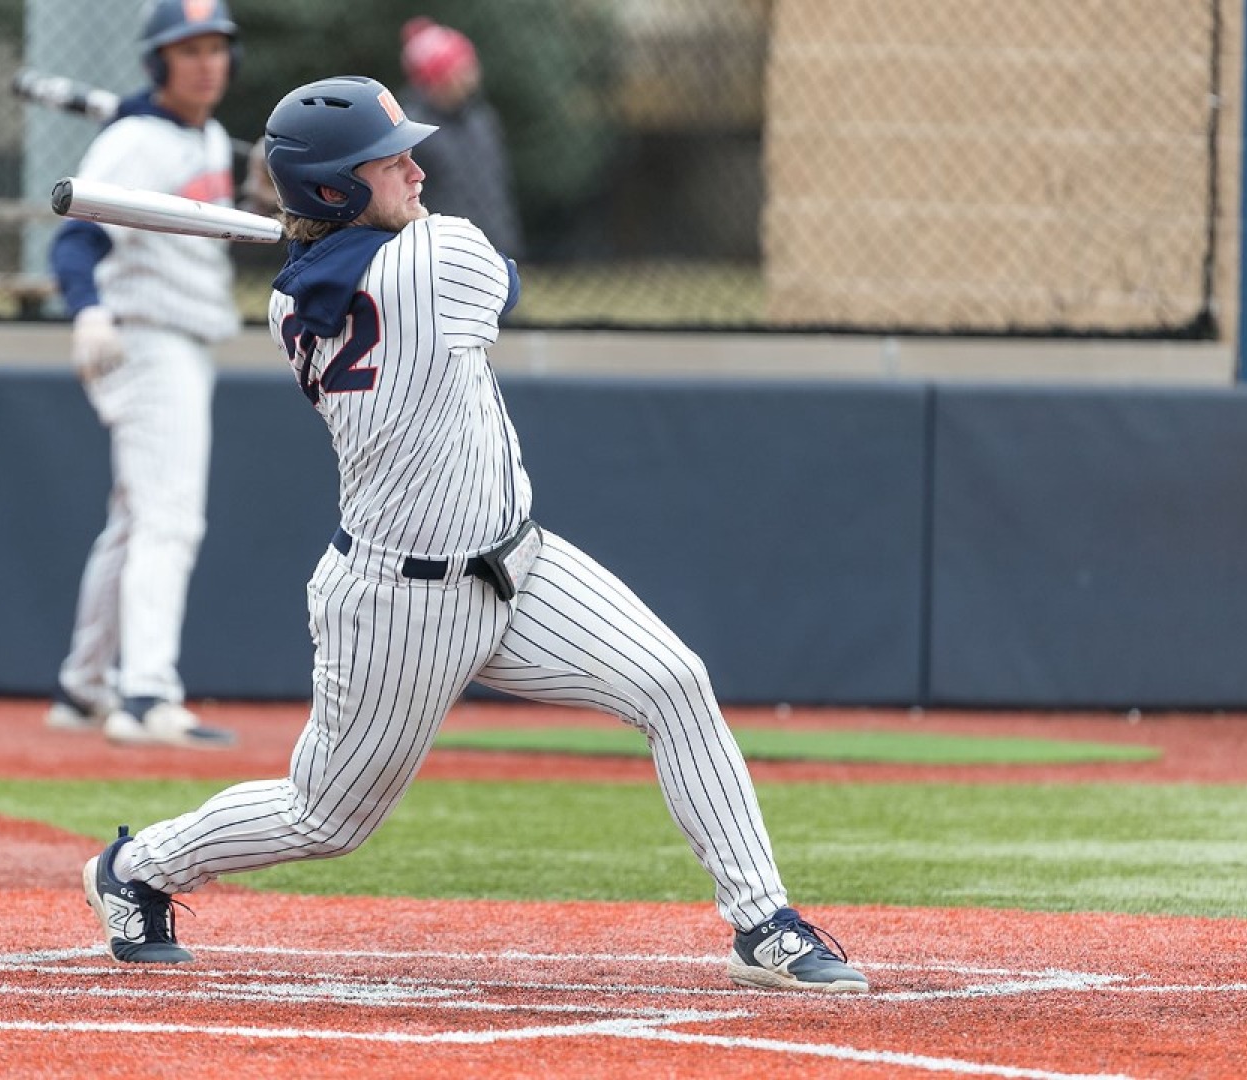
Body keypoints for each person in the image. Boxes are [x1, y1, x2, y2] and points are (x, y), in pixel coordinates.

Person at [78, 76, 869, 994]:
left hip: (518, 565)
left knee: (674, 682)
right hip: (399, 603)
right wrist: (355, 238)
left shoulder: (296, 299)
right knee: (324, 820)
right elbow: (509, 282)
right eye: (391, 161)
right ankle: (138, 870)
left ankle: (763, 922)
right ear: (334, 192)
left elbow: (349, 276)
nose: (419, 169)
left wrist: (334, 232)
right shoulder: (436, 257)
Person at [43, 0, 242, 749]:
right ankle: (147, 693)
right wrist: (86, 311)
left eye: (216, 49)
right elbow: (74, 242)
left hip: (181, 339)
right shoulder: (132, 141)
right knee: (170, 518)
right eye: (187, 51)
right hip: (145, 339)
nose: (206, 63)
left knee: (135, 520)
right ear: (159, 62)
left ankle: (84, 684)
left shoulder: (205, 135)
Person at [394, 17, 523, 258]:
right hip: (443, 254)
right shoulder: (411, 130)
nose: (471, 76)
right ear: (437, 77)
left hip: (496, 246)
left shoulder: (481, 119)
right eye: (461, 69)